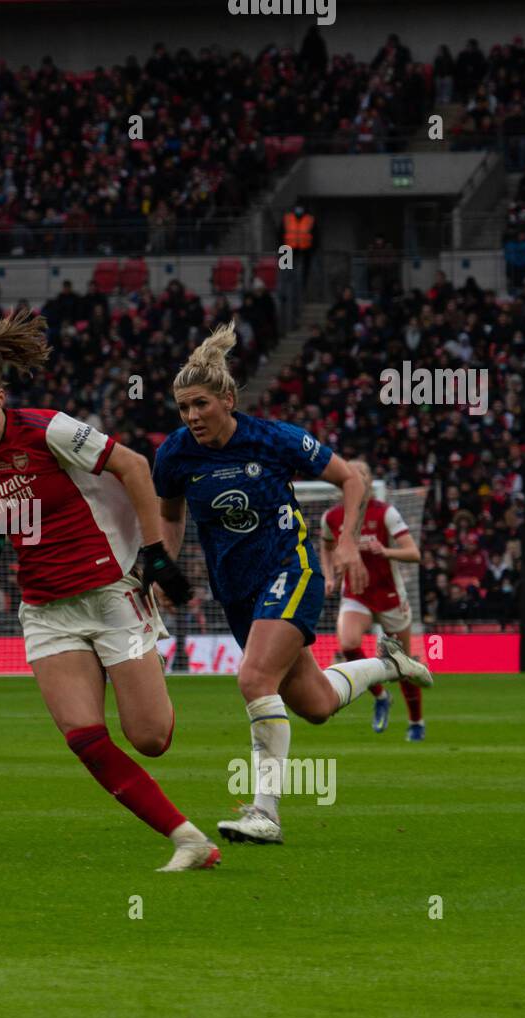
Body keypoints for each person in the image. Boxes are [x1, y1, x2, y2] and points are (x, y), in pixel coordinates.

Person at [0, 308, 220, 872]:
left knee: (151, 739)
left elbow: (135, 466)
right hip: (46, 610)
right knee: (84, 736)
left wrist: (154, 549)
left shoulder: (48, 428)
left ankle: (143, 681)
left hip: (110, 591)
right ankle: (188, 839)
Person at [154, 322, 433, 846]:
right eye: (184, 407)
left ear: (228, 400)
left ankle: (265, 812)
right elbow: (169, 517)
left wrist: (346, 540)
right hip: (235, 591)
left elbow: (351, 477)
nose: (192, 417)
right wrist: (164, 566)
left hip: (291, 569)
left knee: (253, 679)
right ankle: (389, 663)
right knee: (317, 705)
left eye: (201, 405)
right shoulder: (175, 455)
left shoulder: (274, 438)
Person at [322, 460, 425, 739]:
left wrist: (384, 551)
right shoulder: (332, 517)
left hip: (389, 595)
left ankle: (416, 722)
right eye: (352, 474)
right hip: (357, 595)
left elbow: (414, 553)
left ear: (368, 482)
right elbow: (326, 545)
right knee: (349, 644)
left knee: (402, 663)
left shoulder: (386, 513)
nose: (358, 479)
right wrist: (329, 575)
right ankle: (380, 697)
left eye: (363, 474)